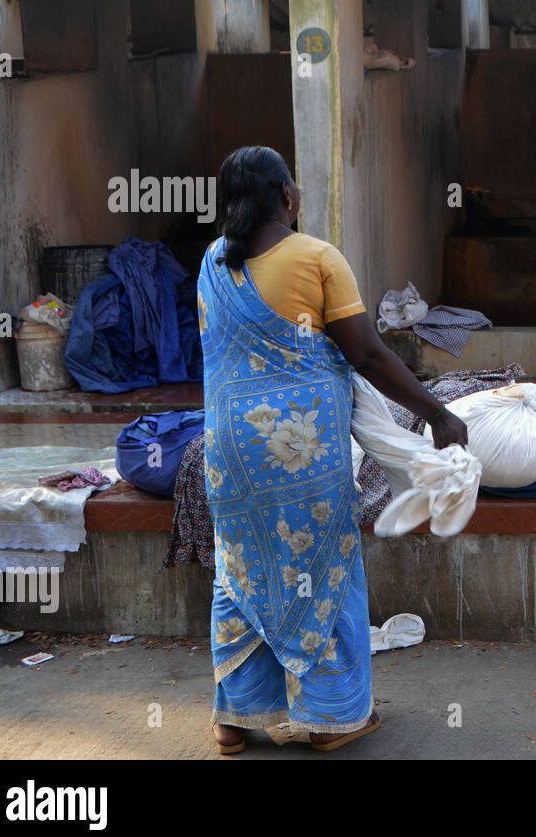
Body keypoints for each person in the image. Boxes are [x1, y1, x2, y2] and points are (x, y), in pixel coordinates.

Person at [198, 146, 468, 754]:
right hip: (297, 450)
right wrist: (437, 413)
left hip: (227, 451)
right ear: (286, 196)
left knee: (239, 572)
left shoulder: (211, 262)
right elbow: (367, 354)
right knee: (322, 571)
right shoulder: (317, 257)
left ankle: (233, 720)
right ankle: (331, 719)